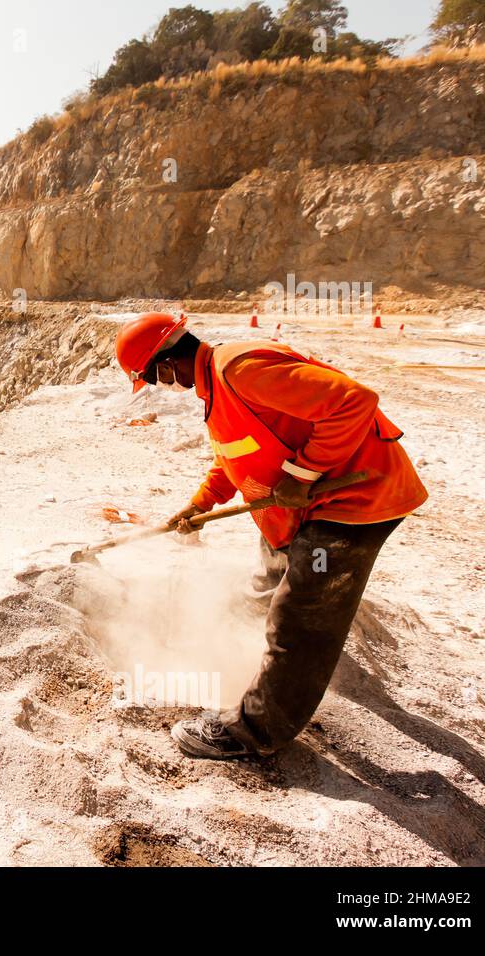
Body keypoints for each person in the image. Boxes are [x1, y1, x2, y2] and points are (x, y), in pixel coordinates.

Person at [114, 312, 428, 759]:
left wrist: (303, 473)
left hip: (352, 502)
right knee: (266, 584)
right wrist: (202, 503)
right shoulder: (217, 388)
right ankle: (264, 666)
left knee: (302, 612)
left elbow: (354, 401)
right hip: (297, 510)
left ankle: (253, 730)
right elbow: (236, 454)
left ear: (166, 362)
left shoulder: (241, 369)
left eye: (153, 378)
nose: (162, 386)